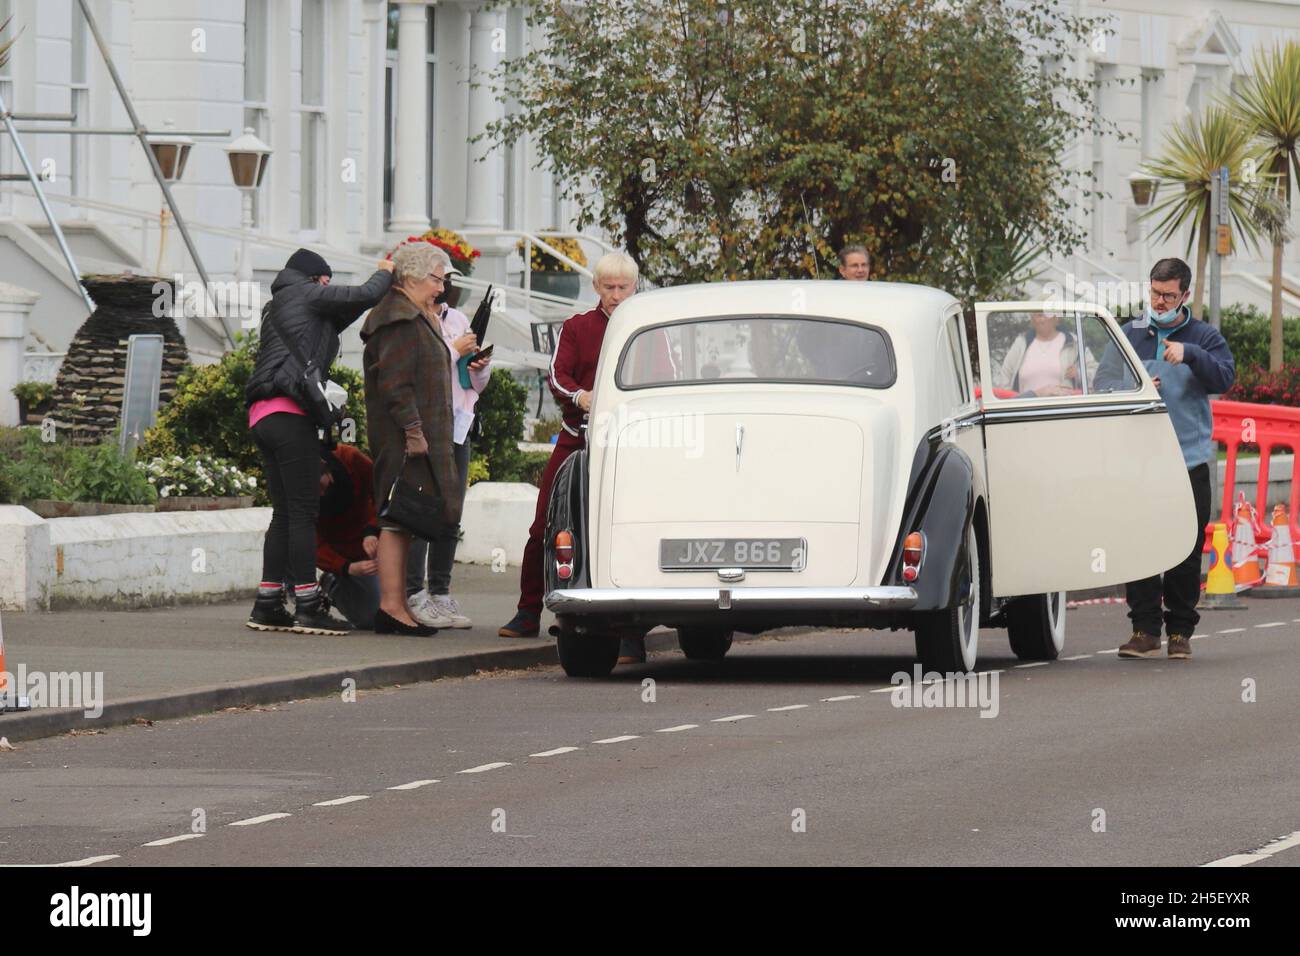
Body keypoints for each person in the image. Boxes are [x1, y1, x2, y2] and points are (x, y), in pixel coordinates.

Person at [245, 248, 394, 635]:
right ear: (316, 278)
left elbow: (343, 313)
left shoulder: (282, 303)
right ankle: (308, 603)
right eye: (326, 279)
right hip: (290, 416)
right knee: (302, 513)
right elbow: (362, 294)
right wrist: (385, 272)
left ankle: (268, 602)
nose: (329, 285)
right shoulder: (307, 293)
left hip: (263, 416)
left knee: (283, 513)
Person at [498, 252, 639, 658]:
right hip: (576, 436)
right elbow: (559, 376)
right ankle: (528, 611)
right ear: (596, 288)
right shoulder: (577, 328)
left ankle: (631, 632)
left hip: (629, 442)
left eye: (622, 287)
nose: (615, 295)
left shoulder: (647, 329)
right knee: (544, 523)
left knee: (625, 527)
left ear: (634, 287)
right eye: (608, 287)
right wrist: (582, 397)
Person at [1096, 258, 1234, 661]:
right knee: (1139, 542)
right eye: (1154, 293)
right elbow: (1103, 382)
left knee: (1187, 547)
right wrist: (1134, 385)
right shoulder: (1130, 333)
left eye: (1168, 295)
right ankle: (1143, 630)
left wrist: (1190, 354)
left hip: (1188, 461)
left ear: (1185, 295)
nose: (1159, 301)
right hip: (1139, 461)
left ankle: (1179, 633)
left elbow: (1225, 377)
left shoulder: (1204, 337)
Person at [359, 241, 464, 636]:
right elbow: (396, 385)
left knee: (404, 518)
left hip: (413, 437)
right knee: (396, 518)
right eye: (437, 279)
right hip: (404, 439)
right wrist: (413, 432)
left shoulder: (414, 315)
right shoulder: (400, 318)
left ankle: (398, 605)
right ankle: (390, 607)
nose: (441, 288)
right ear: (414, 276)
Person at [405, 271, 493, 629]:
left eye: (445, 283)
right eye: (437, 281)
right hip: (425, 427)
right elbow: (420, 369)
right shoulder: (410, 320)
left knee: (450, 512)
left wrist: (479, 368)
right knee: (420, 511)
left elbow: (471, 383)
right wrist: (452, 350)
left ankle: (441, 592)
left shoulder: (457, 320)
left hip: (458, 423)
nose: (442, 290)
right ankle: (415, 593)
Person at [317, 444, 381, 630]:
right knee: (368, 618)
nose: (320, 494)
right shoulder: (298, 491)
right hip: (336, 554)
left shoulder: (350, 457)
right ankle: (329, 584)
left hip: (366, 542)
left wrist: (372, 530)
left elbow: (383, 493)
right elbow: (311, 544)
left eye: (319, 485)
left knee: (377, 614)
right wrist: (346, 567)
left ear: (326, 470)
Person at [993, 312, 1097, 397]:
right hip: (1026, 413)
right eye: (1038, 315)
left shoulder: (1074, 342)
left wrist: (1079, 373)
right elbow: (1004, 379)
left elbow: (1096, 375)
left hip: (1064, 412)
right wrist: (1010, 406)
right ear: (1032, 320)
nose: (1042, 319)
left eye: (1046, 314)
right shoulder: (1021, 343)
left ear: (1056, 318)